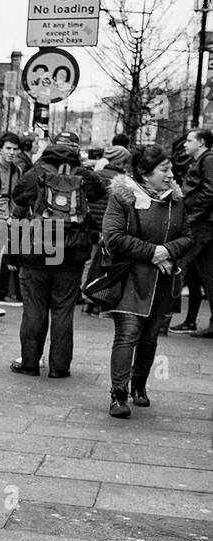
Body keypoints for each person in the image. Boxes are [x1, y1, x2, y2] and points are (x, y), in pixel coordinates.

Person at [99, 145, 199, 417]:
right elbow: (114, 237)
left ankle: (139, 386)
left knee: (150, 338)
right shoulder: (123, 197)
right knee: (127, 334)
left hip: (163, 281)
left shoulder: (176, 200)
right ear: (145, 173)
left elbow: (188, 237)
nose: (170, 175)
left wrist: (167, 251)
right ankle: (118, 394)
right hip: (129, 279)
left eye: (170, 169)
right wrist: (154, 253)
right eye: (164, 170)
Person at [8, 131, 106, 375]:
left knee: (34, 308)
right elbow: (100, 192)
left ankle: (30, 363)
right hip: (71, 253)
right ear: (75, 150)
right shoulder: (82, 174)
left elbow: (18, 196)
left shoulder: (36, 172)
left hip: (36, 251)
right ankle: (59, 367)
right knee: (63, 310)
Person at [84, 143, 130, 316]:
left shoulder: (95, 175)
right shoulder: (122, 181)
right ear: (121, 161)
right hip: (108, 228)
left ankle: (87, 298)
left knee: (89, 262)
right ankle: (99, 298)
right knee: (105, 264)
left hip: (91, 225)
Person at [176, 128, 213, 337]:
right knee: (207, 274)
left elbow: (210, 190)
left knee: (179, 267)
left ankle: (161, 320)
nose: (185, 144)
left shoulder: (208, 160)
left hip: (201, 224)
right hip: (205, 222)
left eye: (189, 140)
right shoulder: (203, 160)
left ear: (201, 142)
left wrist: (191, 215)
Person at [0, 132, 25, 309]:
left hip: (8, 222)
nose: (11, 152)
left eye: (15, 149)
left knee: (1, 260)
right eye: (8, 148)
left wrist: (13, 216)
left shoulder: (17, 171)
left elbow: (17, 198)